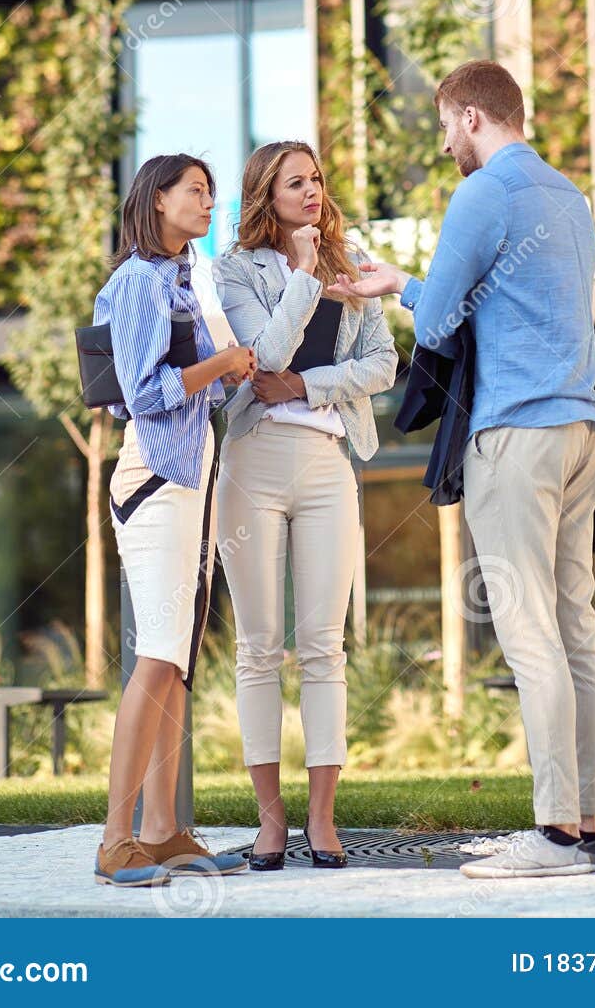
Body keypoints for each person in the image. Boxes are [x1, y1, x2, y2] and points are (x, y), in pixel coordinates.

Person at [330, 61, 595, 879]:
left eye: (446, 126)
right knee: (574, 630)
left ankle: (555, 836)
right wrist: (405, 283)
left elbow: (446, 315)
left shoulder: (481, 194)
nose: (445, 142)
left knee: (529, 634)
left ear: (471, 115)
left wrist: (401, 290)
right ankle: (583, 827)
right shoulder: (566, 195)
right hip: (580, 426)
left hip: (516, 434)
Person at [213, 141, 398, 870]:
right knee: (259, 649)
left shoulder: (351, 263)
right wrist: (298, 272)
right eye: (297, 182)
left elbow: (382, 365)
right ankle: (269, 820)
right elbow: (264, 353)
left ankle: (321, 820)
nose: (313, 191)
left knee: (324, 647)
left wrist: (309, 388)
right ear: (268, 193)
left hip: (327, 463)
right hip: (252, 466)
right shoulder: (236, 271)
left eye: (317, 178)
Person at [92, 153, 255, 888]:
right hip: (155, 480)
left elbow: (192, 389)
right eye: (195, 191)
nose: (208, 203)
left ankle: (161, 832)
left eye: (211, 194)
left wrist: (228, 370)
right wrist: (220, 365)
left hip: (195, 479)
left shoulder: (190, 277)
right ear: (157, 200)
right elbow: (143, 393)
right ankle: (114, 841)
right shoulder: (135, 283)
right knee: (157, 653)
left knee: (178, 663)